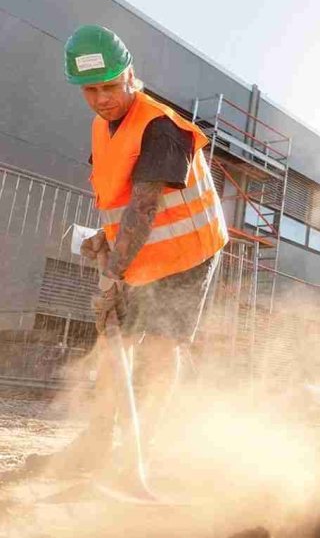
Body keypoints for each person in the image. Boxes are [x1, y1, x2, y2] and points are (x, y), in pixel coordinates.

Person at [24, 25, 228, 484]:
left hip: (188, 250)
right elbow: (121, 200)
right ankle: (96, 443)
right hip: (140, 251)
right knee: (114, 344)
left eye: (110, 86)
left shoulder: (160, 127)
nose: (101, 99)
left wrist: (114, 274)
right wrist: (105, 236)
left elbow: (146, 204)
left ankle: (142, 451)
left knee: (157, 346)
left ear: (130, 75)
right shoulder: (103, 128)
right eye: (90, 90)